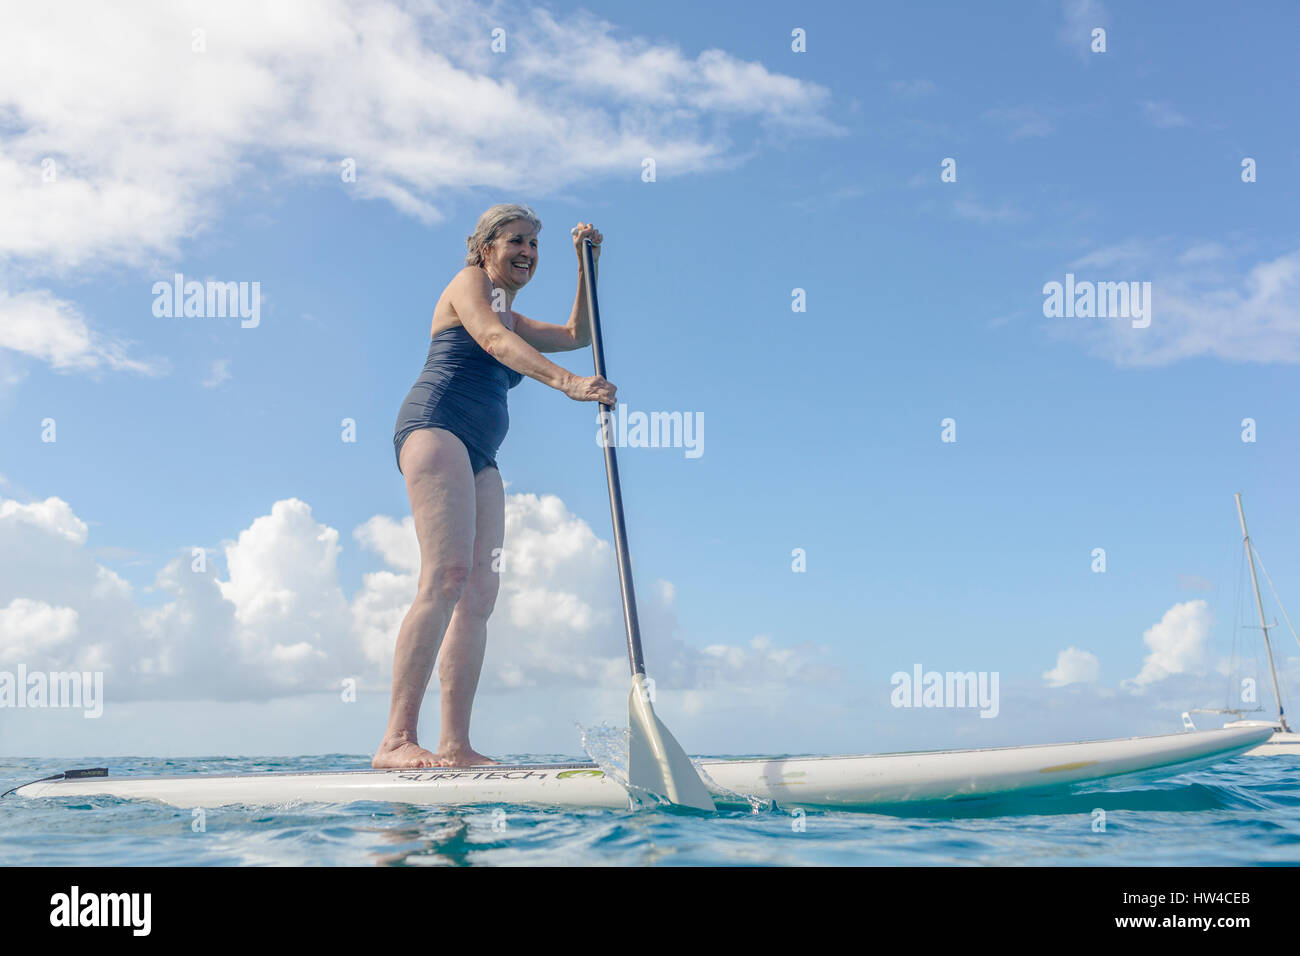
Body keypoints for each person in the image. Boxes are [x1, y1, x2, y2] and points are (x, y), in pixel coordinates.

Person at [375, 204, 616, 769]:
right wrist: (569, 386)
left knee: (479, 594)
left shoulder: (511, 313)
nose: (528, 251)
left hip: (482, 453)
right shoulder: (469, 286)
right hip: (435, 427)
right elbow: (492, 342)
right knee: (445, 577)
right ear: (485, 248)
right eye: (516, 241)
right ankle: (394, 740)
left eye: (535, 243)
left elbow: (579, 333)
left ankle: (455, 744)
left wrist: (588, 265)